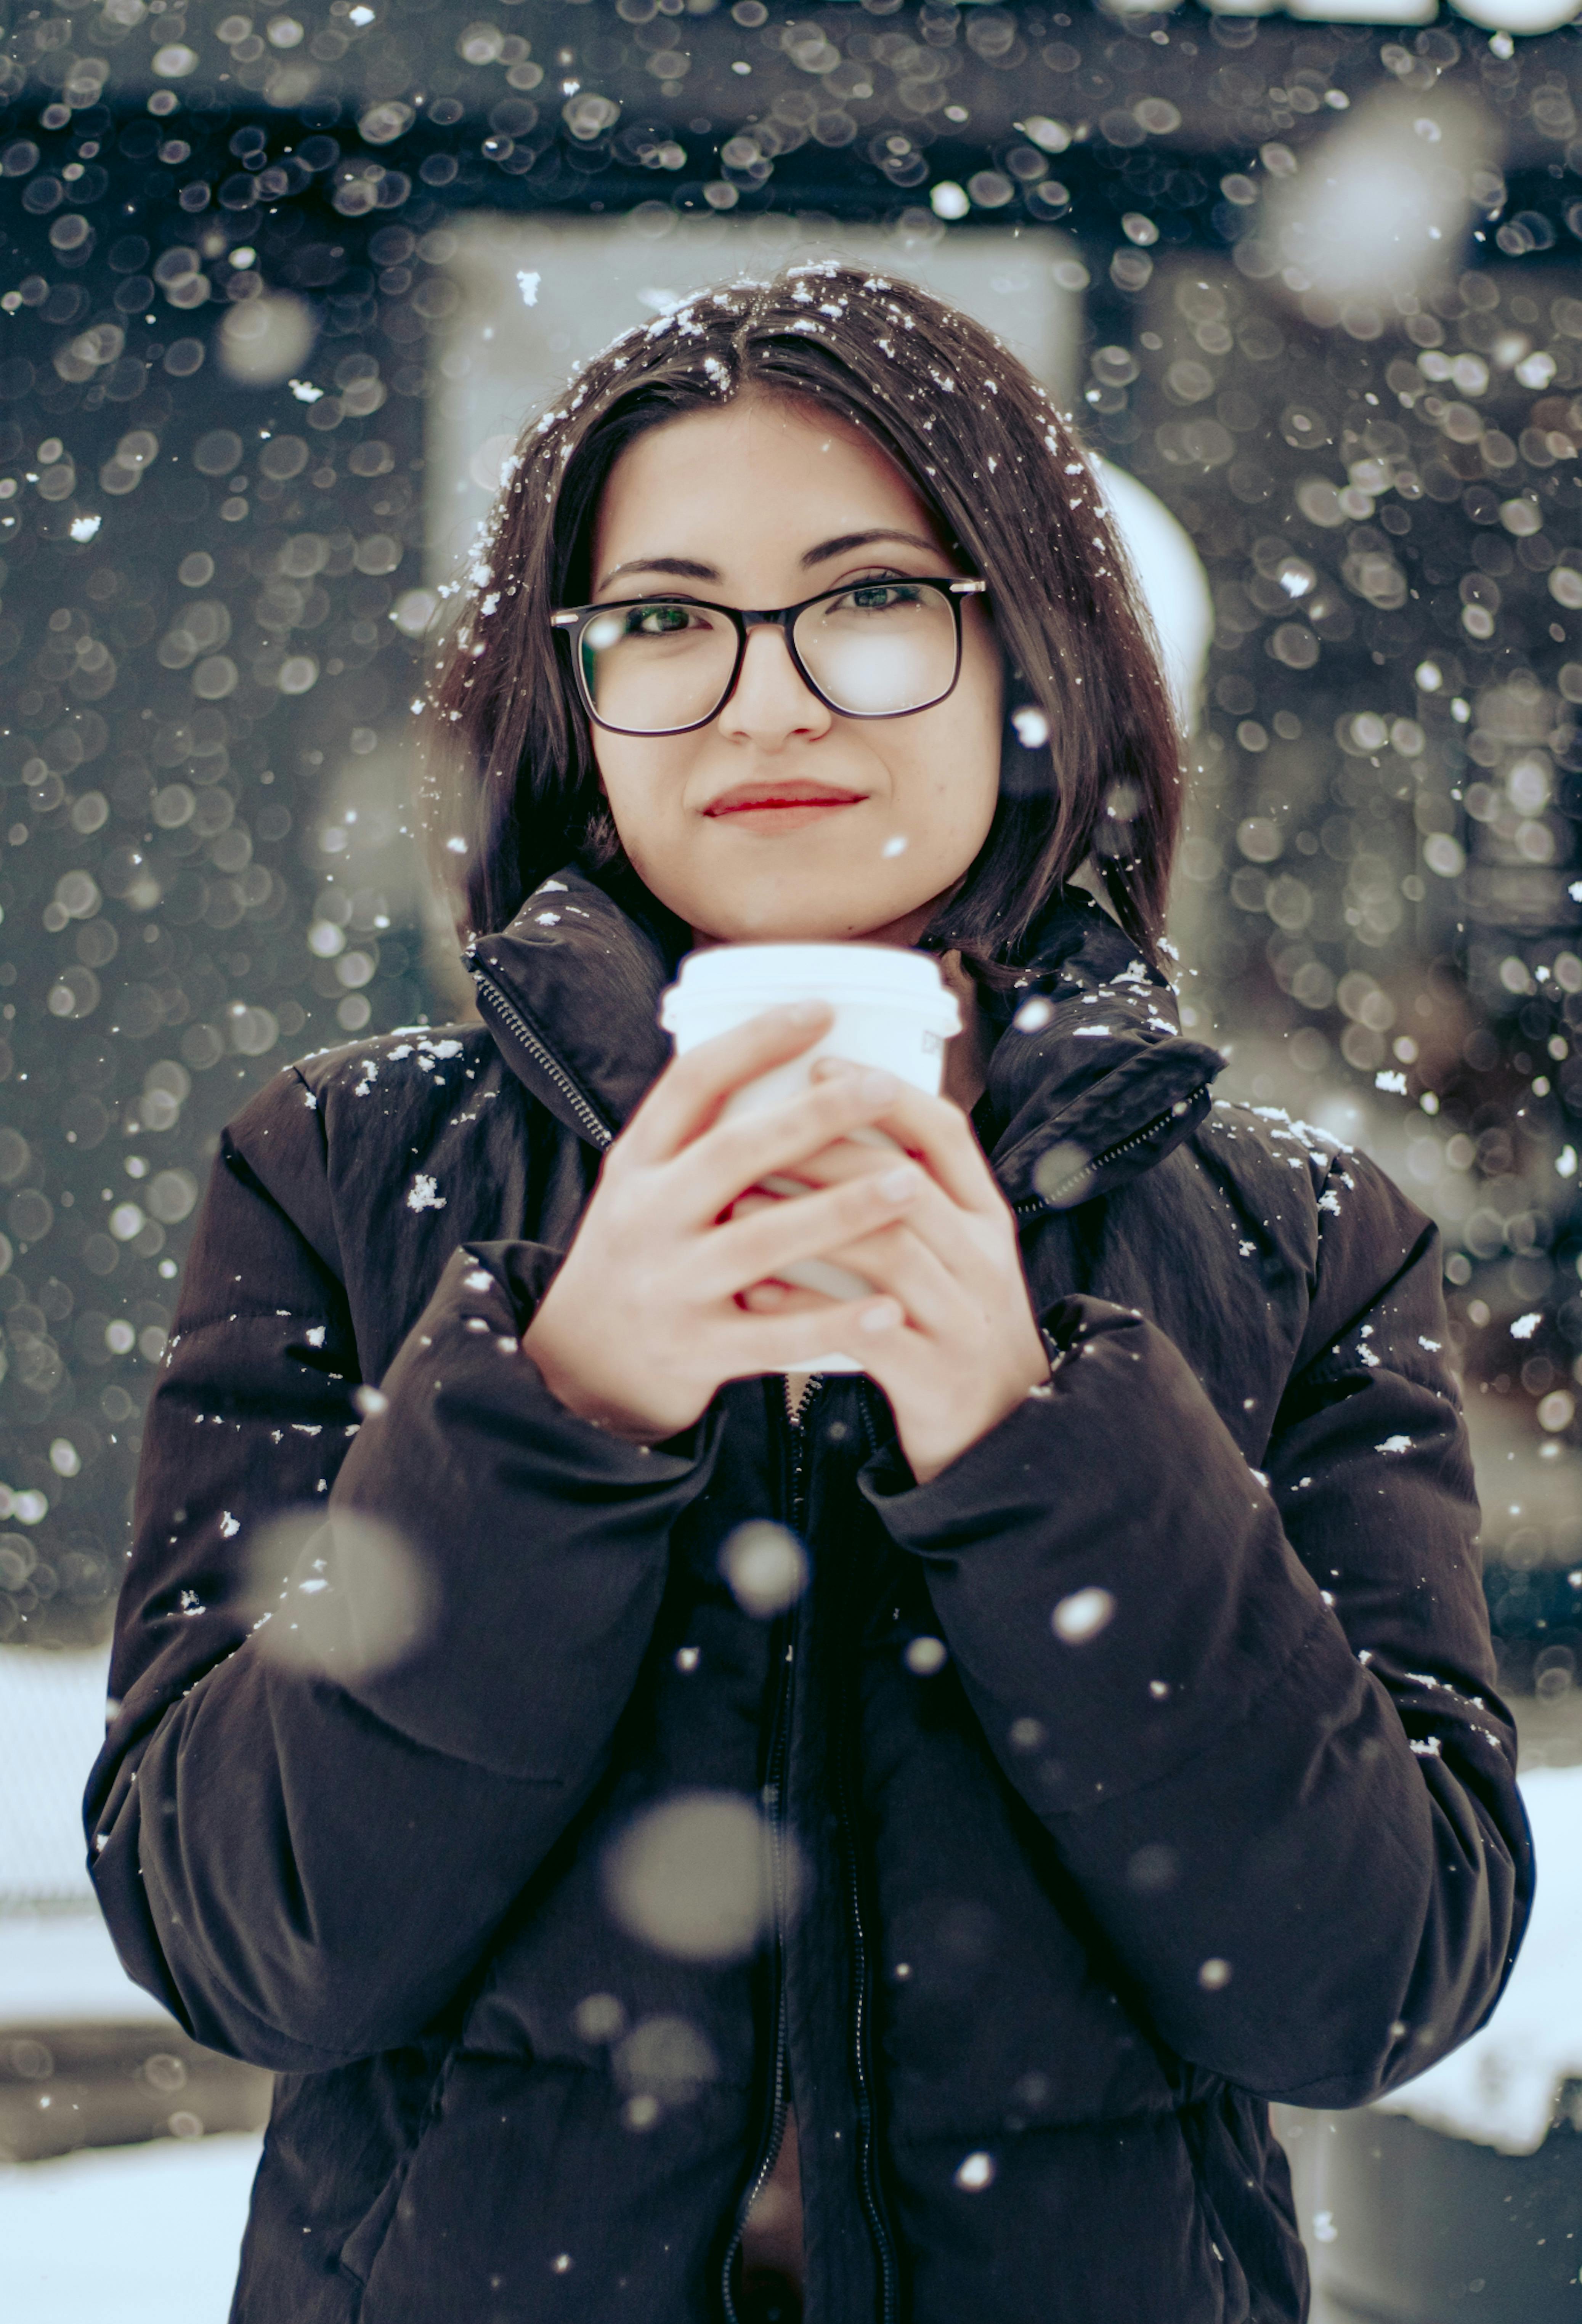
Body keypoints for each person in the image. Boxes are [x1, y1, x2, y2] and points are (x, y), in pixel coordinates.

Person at [87, 264, 1530, 2324]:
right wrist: (557, 1401)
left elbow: (1366, 1986)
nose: (763, 697)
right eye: (662, 617)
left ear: (1033, 654)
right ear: (570, 699)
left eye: (866, 597)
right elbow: (246, 1935)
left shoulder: (1295, 1239)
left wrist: (1039, 1437)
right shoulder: (344, 1181)